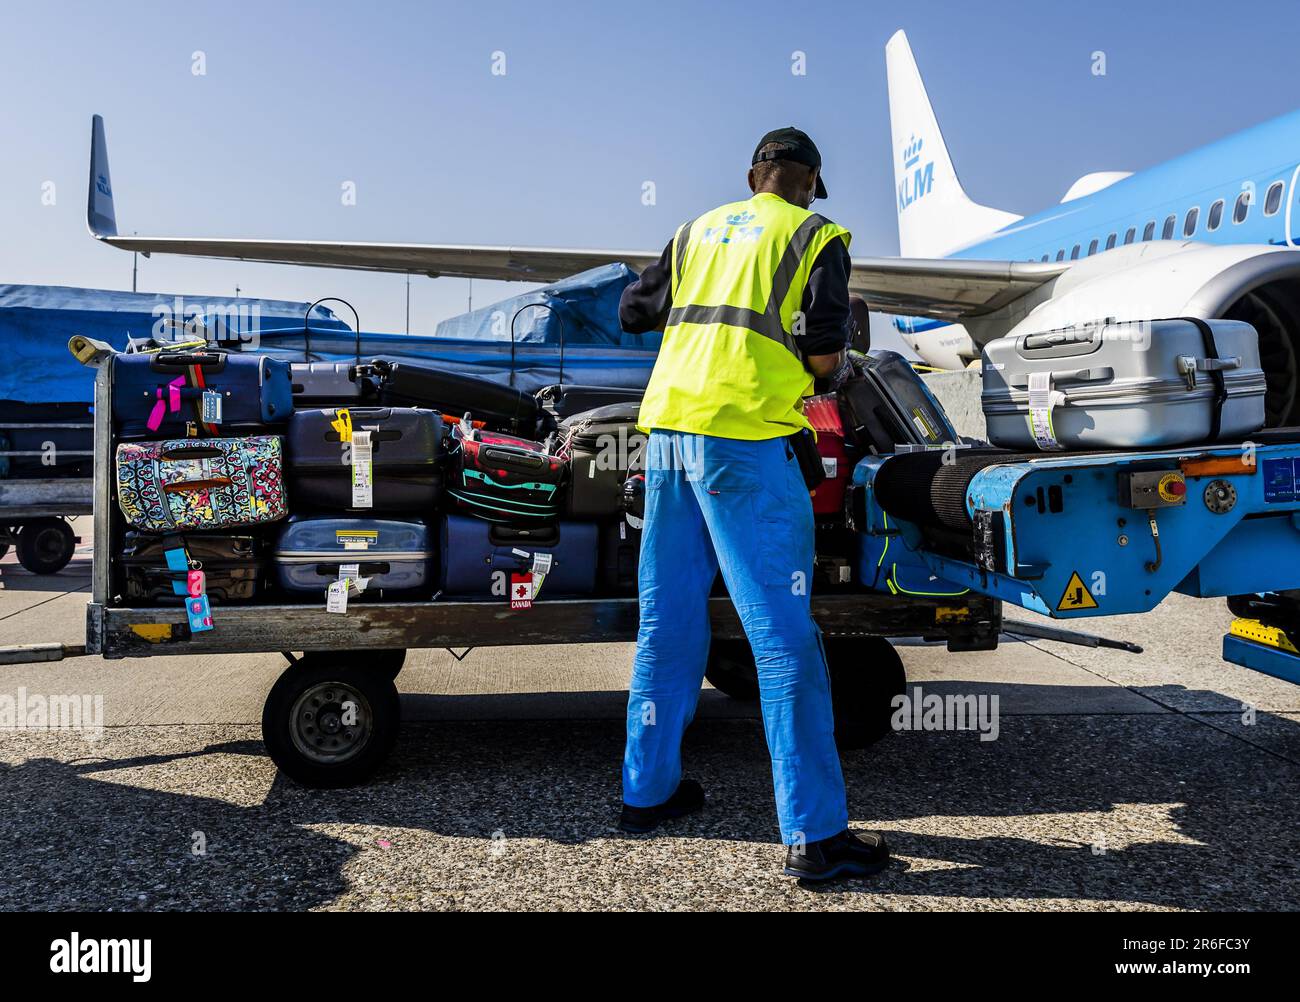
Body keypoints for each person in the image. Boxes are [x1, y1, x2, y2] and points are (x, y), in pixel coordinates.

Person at [616, 127, 890, 882]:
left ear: (752, 175)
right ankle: (815, 835)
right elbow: (827, 352)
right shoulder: (818, 234)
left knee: (667, 624)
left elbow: (633, 314)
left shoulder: (695, 229)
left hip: (669, 437)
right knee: (781, 638)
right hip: (744, 444)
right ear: (808, 182)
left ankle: (647, 794)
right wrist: (817, 370)